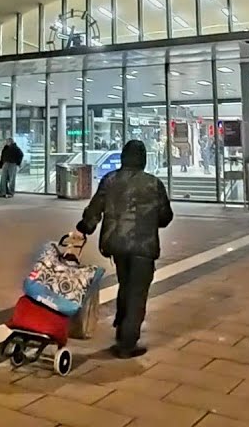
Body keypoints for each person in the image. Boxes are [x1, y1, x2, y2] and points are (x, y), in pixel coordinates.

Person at [75, 139, 174, 359]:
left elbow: (95, 208)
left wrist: (85, 227)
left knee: (125, 284)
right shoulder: (153, 183)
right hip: (144, 246)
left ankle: (121, 331)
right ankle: (127, 343)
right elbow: (166, 216)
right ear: (143, 158)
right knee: (137, 291)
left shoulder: (110, 180)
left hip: (116, 244)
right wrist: (149, 220)